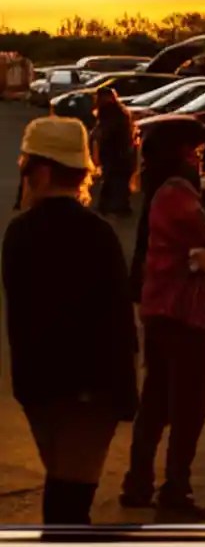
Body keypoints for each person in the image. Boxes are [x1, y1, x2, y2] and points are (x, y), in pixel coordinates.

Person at [3, 117, 138, 524]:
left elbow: (21, 318)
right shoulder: (98, 233)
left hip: (42, 387)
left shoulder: (20, 233)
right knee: (72, 500)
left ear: (40, 172)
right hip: (95, 390)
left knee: (62, 495)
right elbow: (119, 319)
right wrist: (127, 393)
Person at [121, 118, 205, 521]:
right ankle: (175, 486)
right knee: (188, 404)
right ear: (182, 153)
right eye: (196, 152)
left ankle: (138, 481)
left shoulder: (162, 191)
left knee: (156, 398)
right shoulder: (179, 194)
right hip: (183, 312)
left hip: (160, 309)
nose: (200, 160)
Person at [90, 87, 137, 217]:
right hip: (118, 153)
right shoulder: (117, 112)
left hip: (117, 154)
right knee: (114, 181)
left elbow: (109, 132)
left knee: (115, 181)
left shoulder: (112, 113)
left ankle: (115, 207)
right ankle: (111, 206)